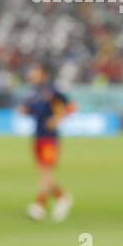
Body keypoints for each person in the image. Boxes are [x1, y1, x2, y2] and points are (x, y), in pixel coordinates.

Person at [17, 65, 75, 222]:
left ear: (43, 74)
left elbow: (70, 107)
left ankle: (39, 206)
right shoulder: (35, 92)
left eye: (34, 71)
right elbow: (31, 109)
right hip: (38, 137)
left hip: (49, 138)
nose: (31, 73)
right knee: (44, 174)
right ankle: (62, 198)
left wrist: (57, 119)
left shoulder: (52, 91)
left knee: (45, 173)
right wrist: (24, 111)